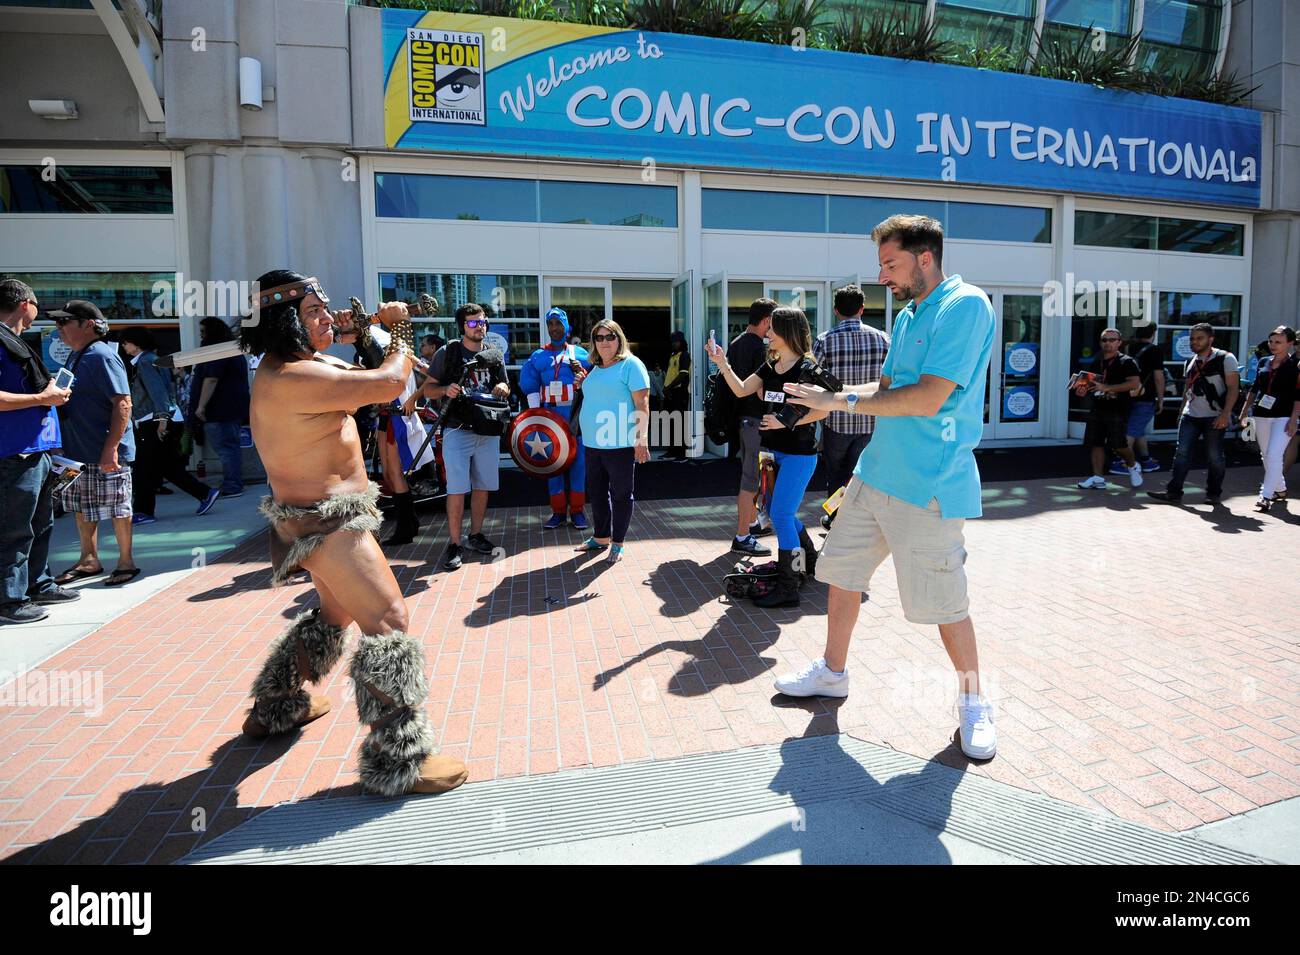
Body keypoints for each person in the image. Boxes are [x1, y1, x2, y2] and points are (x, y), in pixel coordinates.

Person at [772, 214, 998, 761]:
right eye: (880, 265)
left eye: (890, 264)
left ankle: (974, 702)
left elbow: (926, 399)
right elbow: (891, 386)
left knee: (945, 605)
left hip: (929, 485)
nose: (882, 277)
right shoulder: (908, 315)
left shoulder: (965, 306)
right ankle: (833, 673)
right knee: (842, 575)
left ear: (926, 258)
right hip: (874, 473)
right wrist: (831, 397)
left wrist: (840, 402)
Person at [238, 269, 467, 796]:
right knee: (388, 619)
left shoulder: (292, 365)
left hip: (308, 517)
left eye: (326, 310)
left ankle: (275, 703)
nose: (327, 318)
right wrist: (400, 333)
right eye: (314, 313)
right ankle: (399, 759)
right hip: (331, 521)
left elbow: (360, 372)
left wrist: (366, 333)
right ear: (283, 324)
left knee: (336, 613)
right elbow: (388, 385)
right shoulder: (298, 376)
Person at [708, 307, 828, 608]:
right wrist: (722, 363)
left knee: (781, 515)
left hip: (799, 454)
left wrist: (785, 421)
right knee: (777, 509)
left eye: (773, 329)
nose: (768, 334)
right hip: (773, 452)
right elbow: (741, 390)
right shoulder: (770, 364)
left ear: (787, 332)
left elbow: (824, 409)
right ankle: (809, 558)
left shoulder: (807, 368)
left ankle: (788, 587)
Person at [0, 279, 79, 624]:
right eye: (36, 304)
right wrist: (42, 398)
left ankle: (38, 583)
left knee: (40, 523)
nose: (38, 313)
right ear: (23, 303)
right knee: (14, 529)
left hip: (34, 451)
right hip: (13, 452)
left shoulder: (13, 342)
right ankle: (10, 601)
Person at [46, 301, 140, 588]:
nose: (58, 328)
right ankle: (89, 559)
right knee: (81, 506)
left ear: (88, 324)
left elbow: (123, 403)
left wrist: (111, 448)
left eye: (65, 322)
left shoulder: (101, 355)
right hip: (79, 453)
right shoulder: (79, 355)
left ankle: (126, 562)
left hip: (104, 451)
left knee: (118, 507)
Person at [421, 303, 511, 570]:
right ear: (462, 326)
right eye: (473, 323)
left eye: (482, 322)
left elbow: (506, 384)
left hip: (487, 430)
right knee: (457, 488)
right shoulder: (448, 353)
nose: (479, 327)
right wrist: (445, 389)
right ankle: (455, 543)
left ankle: (475, 535)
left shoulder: (494, 355)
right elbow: (428, 389)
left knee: (483, 485)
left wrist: (503, 387)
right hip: (457, 430)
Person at [117, 327, 219, 524]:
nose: (124, 346)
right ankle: (204, 493)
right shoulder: (153, 360)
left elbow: (158, 392)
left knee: (145, 468)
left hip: (152, 421)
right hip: (160, 419)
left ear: (136, 343)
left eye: (126, 342)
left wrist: (162, 419)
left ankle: (144, 511)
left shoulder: (145, 362)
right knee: (163, 466)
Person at [573, 319, 651, 562]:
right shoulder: (595, 368)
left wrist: (642, 439)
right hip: (593, 443)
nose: (605, 341)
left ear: (619, 339)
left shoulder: (631, 365)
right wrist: (582, 384)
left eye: (610, 336)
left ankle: (618, 543)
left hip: (620, 443)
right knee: (596, 493)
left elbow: (643, 404)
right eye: (599, 337)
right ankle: (601, 537)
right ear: (594, 343)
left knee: (620, 495)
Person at [814, 284, 890, 528]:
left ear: (836, 310)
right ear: (862, 309)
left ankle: (835, 519)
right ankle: (859, 522)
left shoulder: (824, 341)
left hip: (836, 421)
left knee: (835, 476)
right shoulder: (883, 339)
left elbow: (813, 380)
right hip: (871, 420)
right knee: (862, 476)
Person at [1147, 323, 1240, 506]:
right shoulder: (1190, 361)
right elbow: (1188, 388)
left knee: (1214, 456)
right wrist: (1182, 410)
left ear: (1210, 339)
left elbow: (1233, 388)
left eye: (1199, 338)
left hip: (1214, 415)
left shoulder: (1226, 358)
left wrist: (1225, 414)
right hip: (1190, 416)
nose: (1194, 342)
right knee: (1181, 454)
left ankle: (1213, 493)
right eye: (1192, 338)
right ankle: (1174, 492)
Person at [519, 307, 592, 529]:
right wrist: (535, 417)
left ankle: (578, 511)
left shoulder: (581, 354)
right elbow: (529, 383)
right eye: (550, 324)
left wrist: (584, 375)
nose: (554, 328)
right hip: (549, 415)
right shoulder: (538, 356)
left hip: (575, 414)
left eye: (558, 323)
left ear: (567, 327)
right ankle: (558, 512)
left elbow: (594, 383)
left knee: (579, 463)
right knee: (553, 465)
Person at [726, 298, 776, 556]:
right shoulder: (759, 348)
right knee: (751, 479)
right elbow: (760, 393)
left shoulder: (736, 343)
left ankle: (752, 523)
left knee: (750, 475)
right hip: (756, 421)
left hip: (742, 420)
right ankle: (743, 535)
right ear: (766, 321)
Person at [1238, 326, 1299, 512]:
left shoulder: (1296, 365)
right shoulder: (1264, 361)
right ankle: (1280, 489)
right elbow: (1255, 388)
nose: (1273, 345)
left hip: (1284, 416)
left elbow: (1298, 395)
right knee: (1266, 455)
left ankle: (1265, 496)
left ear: (1289, 343)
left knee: (1273, 454)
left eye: (1278, 342)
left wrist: (1293, 420)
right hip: (1262, 414)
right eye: (1271, 341)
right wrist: (1244, 411)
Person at [1075, 328, 1144, 490]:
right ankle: (1098, 478)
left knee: (1118, 444)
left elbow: (1134, 384)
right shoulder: (1097, 360)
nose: (1108, 343)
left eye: (1112, 340)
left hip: (1118, 409)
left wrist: (1107, 387)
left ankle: (1133, 465)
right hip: (1098, 407)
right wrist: (1082, 389)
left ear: (1119, 343)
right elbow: (1089, 383)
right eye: (1104, 340)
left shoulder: (1127, 361)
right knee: (1095, 442)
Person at [191, 317, 250, 499]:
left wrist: (201, 406)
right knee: (230, 447)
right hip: (234, 407)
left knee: (226, 448)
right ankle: (234, 482)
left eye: (203, 332)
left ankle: (232, 485)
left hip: (219, 409)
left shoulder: (217, 352)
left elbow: (211, 379)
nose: (201, 336)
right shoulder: (232, 349)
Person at [1109, 323, 1164, 475]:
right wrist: (1161, 398)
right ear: (1153, 333)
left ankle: (1145, 460)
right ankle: (1121, 462)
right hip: (1145, 396)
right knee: (1133, 430)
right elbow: (1158, 377)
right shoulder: (1155, 350)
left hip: (1127, 394)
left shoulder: (1128, 348)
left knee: (1138, 428)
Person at [663, 330, 692, 459]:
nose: (674, 344)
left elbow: (683, 374)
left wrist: (668, 387)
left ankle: (682, 454)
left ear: (682, 342)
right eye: (672, 341)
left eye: (676, 341)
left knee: (680, 424)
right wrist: (666, 390)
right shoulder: (673, 355)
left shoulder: (684, 355)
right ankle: (672, 451)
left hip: (679, 394)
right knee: (671, 423)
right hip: (671, 394)